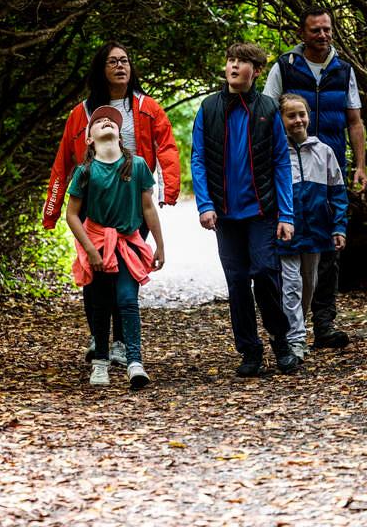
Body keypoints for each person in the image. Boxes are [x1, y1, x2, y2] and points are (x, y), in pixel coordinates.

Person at [43, 41, 180, 363]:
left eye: (125, 61)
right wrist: (52, 210)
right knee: (94, 274)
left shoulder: (147, 107)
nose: (121, 66)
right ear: (101, 69)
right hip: (93, 205)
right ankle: (97, 336)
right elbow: (63, 160)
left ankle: (119, 342)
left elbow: (167, 147)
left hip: (132, 204)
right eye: (112, 62)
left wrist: (168, 189)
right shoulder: (83, 113)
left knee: (126, 273)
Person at [191, 42, 300, 377]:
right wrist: (205, 204)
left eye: (242, 62)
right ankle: (250, 351)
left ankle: (281, 343)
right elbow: (198, 159)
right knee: (237, 282)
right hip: (225, 214)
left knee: (266, 274)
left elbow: (282, 162)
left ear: (256, 71)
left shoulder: (268, 108)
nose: (234, 66)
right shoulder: (209, 108)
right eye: (230, 61)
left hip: (262, 212)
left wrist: (286, 214)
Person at [264, 5, 367, 349]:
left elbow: (354, 121)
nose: (322, 36)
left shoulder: (344, 70)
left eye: (326, 29)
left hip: (329, 166)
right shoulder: (285, 67)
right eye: (315, 31)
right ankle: (290, 327)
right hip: (288, 168)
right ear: (302, 34)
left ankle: (323, 324)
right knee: (289, 251)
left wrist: (360, 166)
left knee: (330, 248)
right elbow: (265, 115)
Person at [66, 105, 164, 389]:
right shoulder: (85, 172)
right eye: (98, 121)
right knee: (100, 303)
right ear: (89, 139)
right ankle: (100, 362)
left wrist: (159, 244)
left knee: (127, 300)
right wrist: (90, 250)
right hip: (96, 242)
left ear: (121, 136)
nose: (106, 121)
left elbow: (148, 207)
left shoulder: (137, 166)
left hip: (128, 243)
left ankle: (135, 362)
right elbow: (72, 215)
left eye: (112, 120)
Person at [277, 94, 347, 360]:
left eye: (301, 114)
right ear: (281, 119)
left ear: (309, 116)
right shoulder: (278, 151)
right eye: (291, 116)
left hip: (317, 230)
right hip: (289, 230)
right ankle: (294, 339)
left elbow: (338, 192)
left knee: (310, 282)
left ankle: (298, 326)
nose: (298, 120)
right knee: (291, 283)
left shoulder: (324, 151)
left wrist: (338, 227)